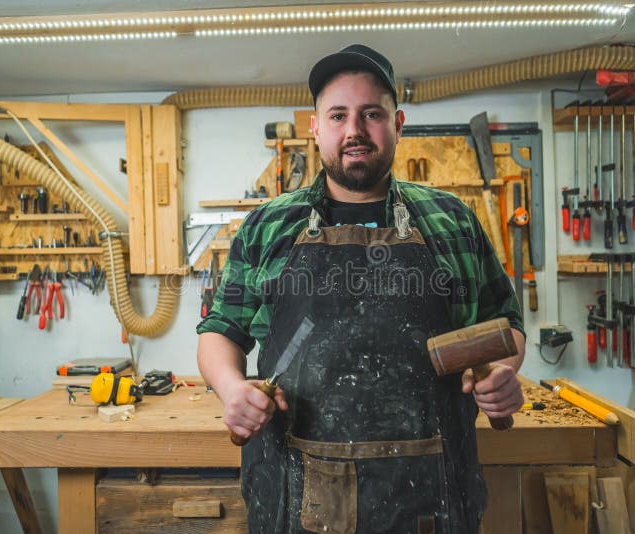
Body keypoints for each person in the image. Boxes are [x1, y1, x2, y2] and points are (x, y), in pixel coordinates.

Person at [197, 44, 525, 534]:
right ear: (316, 127)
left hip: (433, 495)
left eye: (372, 114)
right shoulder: (267, 226)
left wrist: (500, 374)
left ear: (398, 123)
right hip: (296, 494)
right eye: (338, 115)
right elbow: (220, 331)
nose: (354, 130)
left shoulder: (451, 220)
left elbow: (506, 327)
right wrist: (231, 388)